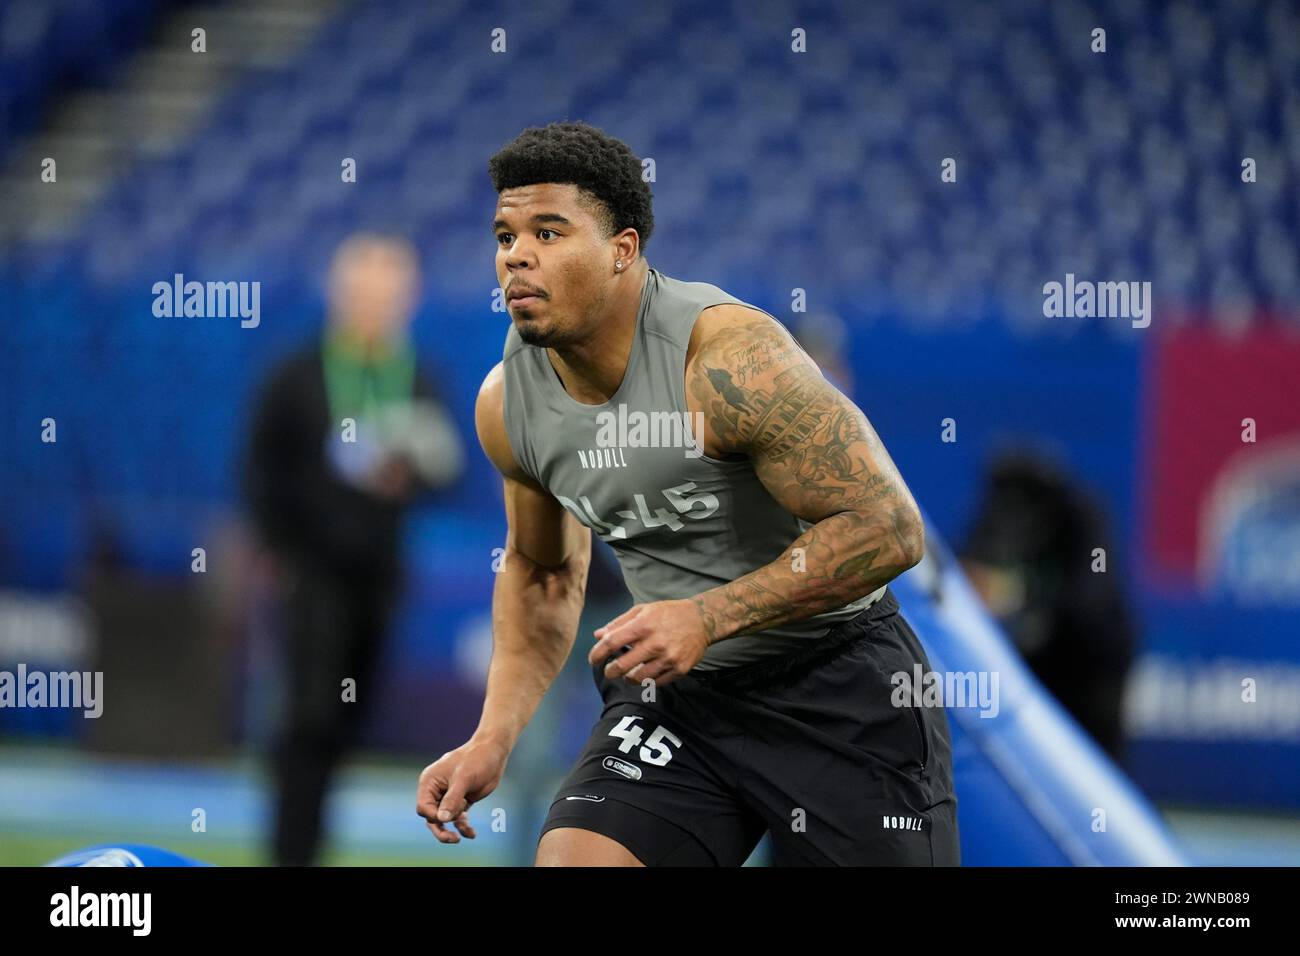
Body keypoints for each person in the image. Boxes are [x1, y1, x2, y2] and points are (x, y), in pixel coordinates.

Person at [416, 122, 957, 866]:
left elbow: (889, 527)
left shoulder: (732, 361)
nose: (517, 255)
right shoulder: (505, 404)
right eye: (505, 235)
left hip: (839, 689)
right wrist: (493, 737)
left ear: (623, 250)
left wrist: (708, 616)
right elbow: (543, 574)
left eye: (548, 231)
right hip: (680, 701)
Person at [246, 233, 464, 865]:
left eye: (388, 294)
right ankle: (291, 853)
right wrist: (282, 553)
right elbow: (261, 469)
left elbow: (447, 470)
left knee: (347, 718)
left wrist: (411, 472)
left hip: (380, 575)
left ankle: (312, 844)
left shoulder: (418, 374)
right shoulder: (296, 374)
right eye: (364, 292)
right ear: (339, 294)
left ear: (408, 299)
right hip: (313, 575)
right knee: (307, 719)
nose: (375, 306)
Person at [958, 448, 1137, 761]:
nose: (1012, 508)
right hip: (1038, 664)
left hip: (1091, 664)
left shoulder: (1082, 516)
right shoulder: (999, 512)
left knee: (1094, 761)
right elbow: (967, 573)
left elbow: (1089, 600)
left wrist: (1025, 602)